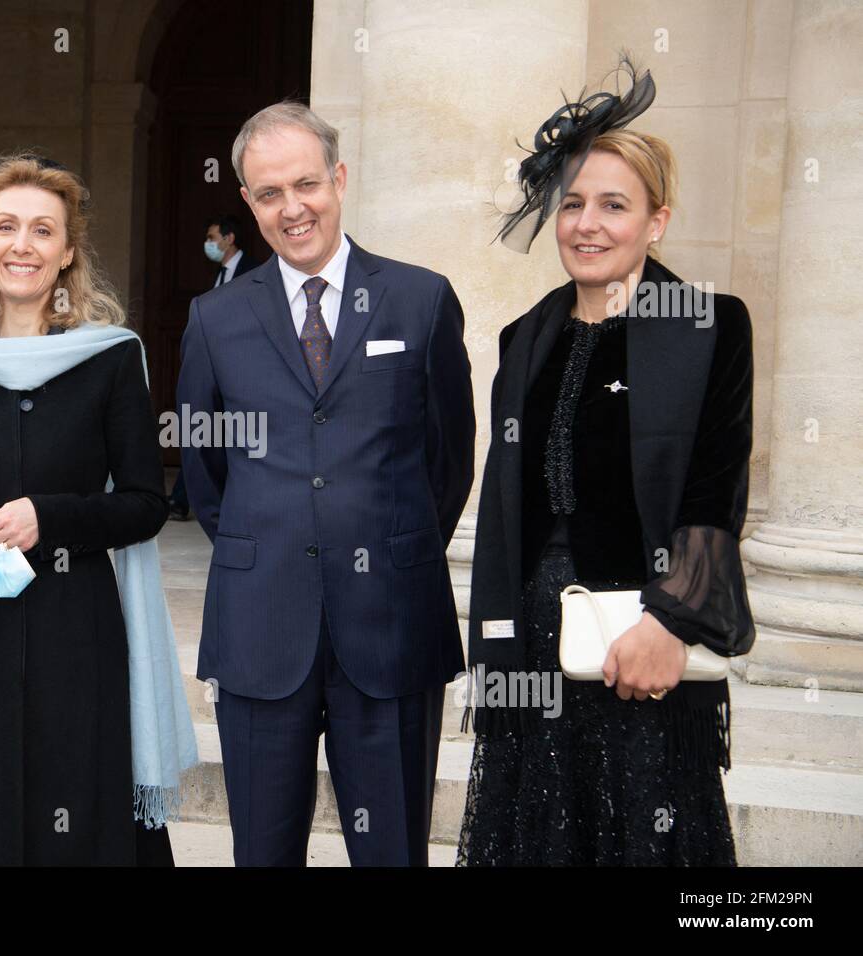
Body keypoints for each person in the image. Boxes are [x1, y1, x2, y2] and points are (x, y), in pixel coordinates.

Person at [457, 60, 756, 865]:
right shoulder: (524, 339)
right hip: (535, 651)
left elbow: (715, 487)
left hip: (640, 642)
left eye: (615, 206)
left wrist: (670, 620)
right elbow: (506, 512)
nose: (587, 224)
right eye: (573, 203)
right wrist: (498, 650)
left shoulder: (710, 326)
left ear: (657, 221)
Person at [0, 153, 196, 866]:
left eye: (43, 230)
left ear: (68, 252)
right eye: (7, 227)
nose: (24, 244)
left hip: (75, 630)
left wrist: (50, 518)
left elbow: (146, 504)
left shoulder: (110, 360)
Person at [177, 102, 475, 866]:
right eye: (268, 193)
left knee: (393, 852)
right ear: (247, 202)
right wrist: (273, 543)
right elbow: (207, 472)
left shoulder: (421, 298)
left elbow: (449, 456)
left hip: (393, 623)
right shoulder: (214, 320)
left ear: (338, 180)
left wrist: (383, 542)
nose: (291, 207)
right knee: (264, 852)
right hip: (259, 624)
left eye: (305, 184)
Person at [170, 214, 262, 521]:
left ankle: (193, 502)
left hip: (244, 368)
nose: (208, 244)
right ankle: (184, 500)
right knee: (199, 427)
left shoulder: (255, 272)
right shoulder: (218, 275)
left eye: (212, 238)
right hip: (215, 367)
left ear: (229, 238)